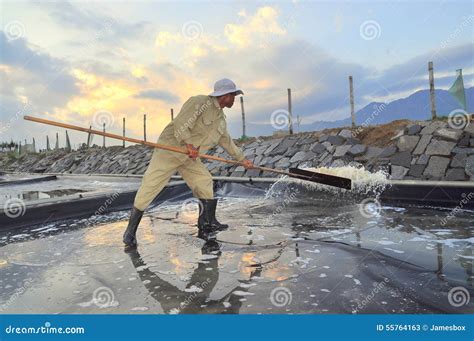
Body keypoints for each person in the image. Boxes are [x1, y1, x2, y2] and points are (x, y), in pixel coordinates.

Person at [123, 79, 254, 247]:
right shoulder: (199, 102)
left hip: (189, 157)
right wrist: (188, 143)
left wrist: (242, 160)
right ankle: (130, 232)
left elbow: (226, 141)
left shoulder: (221, 118)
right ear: (225, 95)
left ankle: (207, 223)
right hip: (170, 151)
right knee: (150, 186)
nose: (234, 99)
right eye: (233, 95)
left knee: (204, 181)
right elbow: (181, 124)